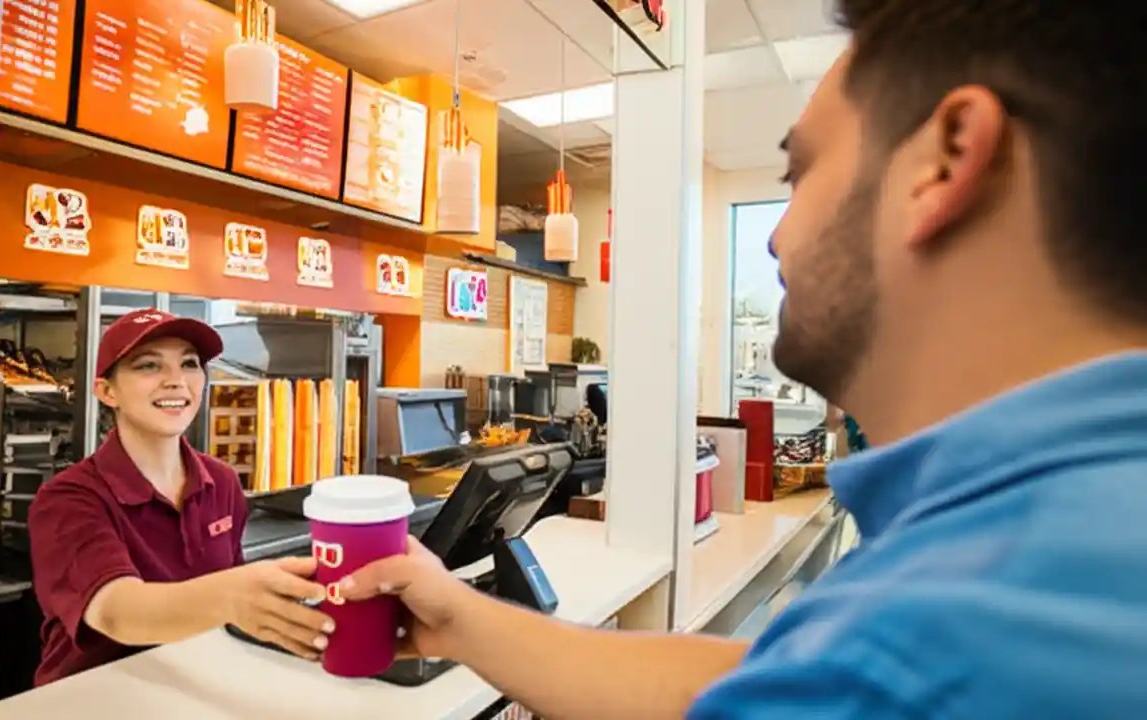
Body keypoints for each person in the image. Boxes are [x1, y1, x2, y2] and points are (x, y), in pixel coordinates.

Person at [341, 3, 1147, 718]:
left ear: (944, 160)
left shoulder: (944, 640)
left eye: (800, 172)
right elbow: (767, 678)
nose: (775, 234)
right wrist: (466, 620)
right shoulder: (1049, 545)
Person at [28, 309, 332, 685]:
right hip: (90, 699)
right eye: (148, 366)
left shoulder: (220, 483)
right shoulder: (69, 499)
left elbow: (226, 613)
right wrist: (235, 598)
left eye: (189, 364)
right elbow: (116, 611)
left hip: (190, 685)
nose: (176, 381)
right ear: (107, 391)